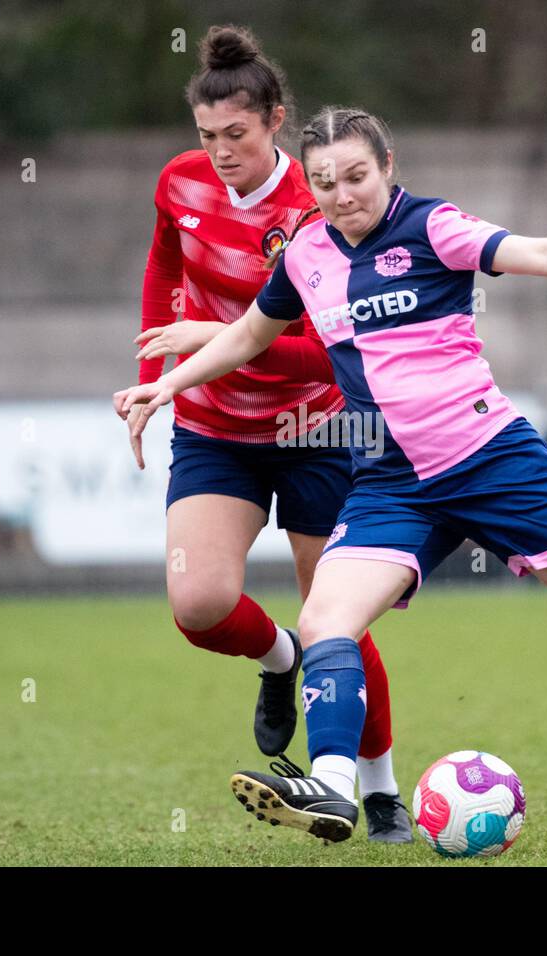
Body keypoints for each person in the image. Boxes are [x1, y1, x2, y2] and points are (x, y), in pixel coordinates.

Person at [116, 106, 547, 843]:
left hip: (491, 461)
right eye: (324, 182)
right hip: (391, 480)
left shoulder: (432, 228)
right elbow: (248, 336)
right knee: (327, 620)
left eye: (356, 176)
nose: (341, 194)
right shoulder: (305, 255)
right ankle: (331, 786)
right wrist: (167, 384)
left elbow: (540, 254)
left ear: (389, 167)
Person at [131, 34, 409, 841]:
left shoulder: (316, 209)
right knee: (199, 603)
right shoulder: (177, 183)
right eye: (206, 135)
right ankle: (281, 661)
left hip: (320, 427)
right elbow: (161, 266)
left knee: (342, 617)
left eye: (236, 136)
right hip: (217, 430)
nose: (218, 153)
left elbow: (327, 343)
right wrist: (157, 374)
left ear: (275, 123)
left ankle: (381, 786)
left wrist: (201, 337)